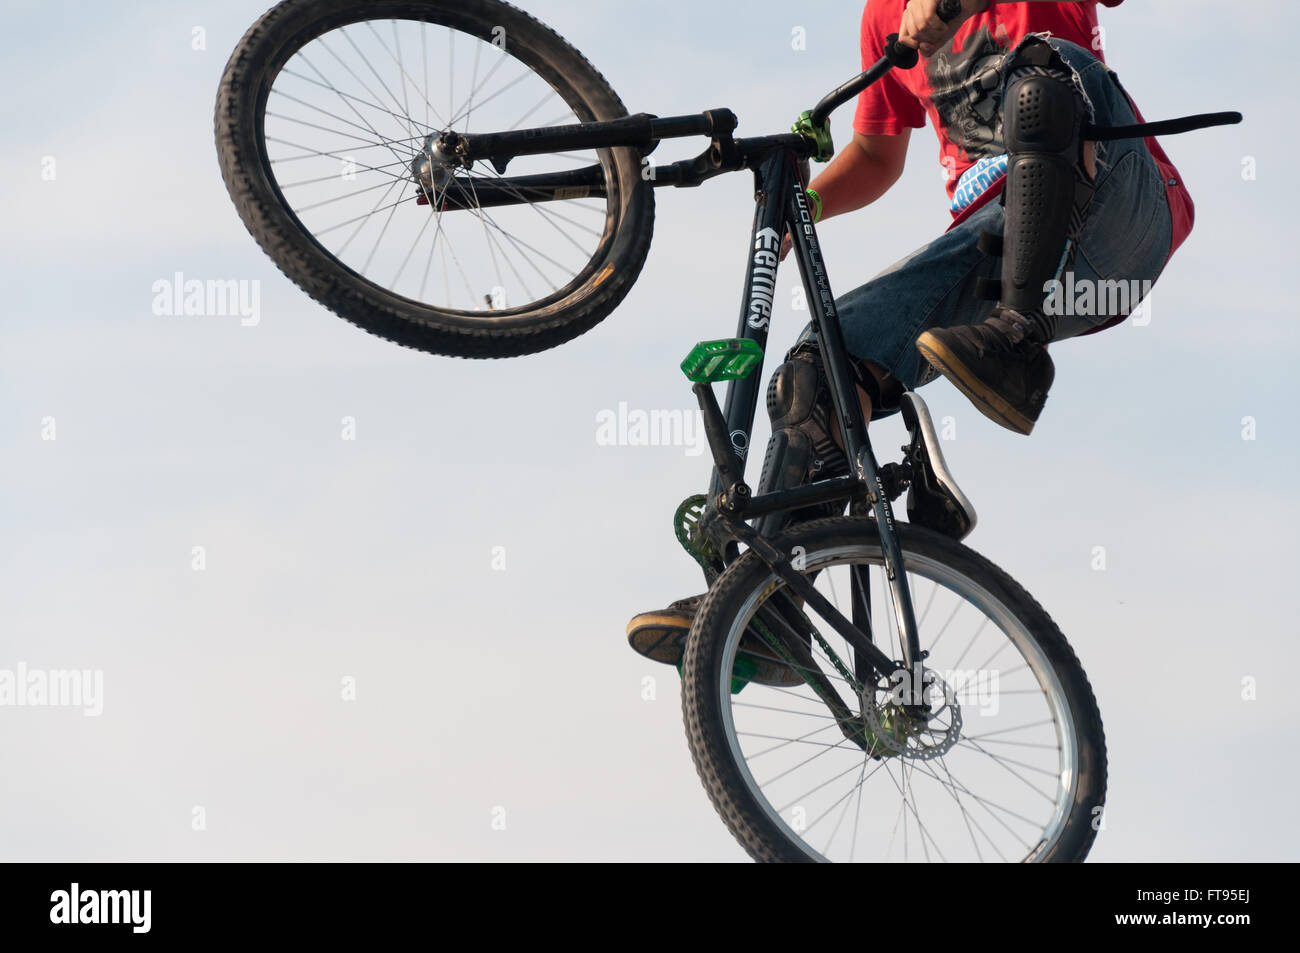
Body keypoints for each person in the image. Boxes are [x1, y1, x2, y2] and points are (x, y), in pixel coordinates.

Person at [627, 0, 1191, 670]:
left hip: (1120, 210)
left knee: (1046, 76)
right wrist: (801, 207)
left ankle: (1015, 344)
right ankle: (767, 605)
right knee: (818, 371)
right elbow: (875, 154)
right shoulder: (882, 18)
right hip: (994, 245)